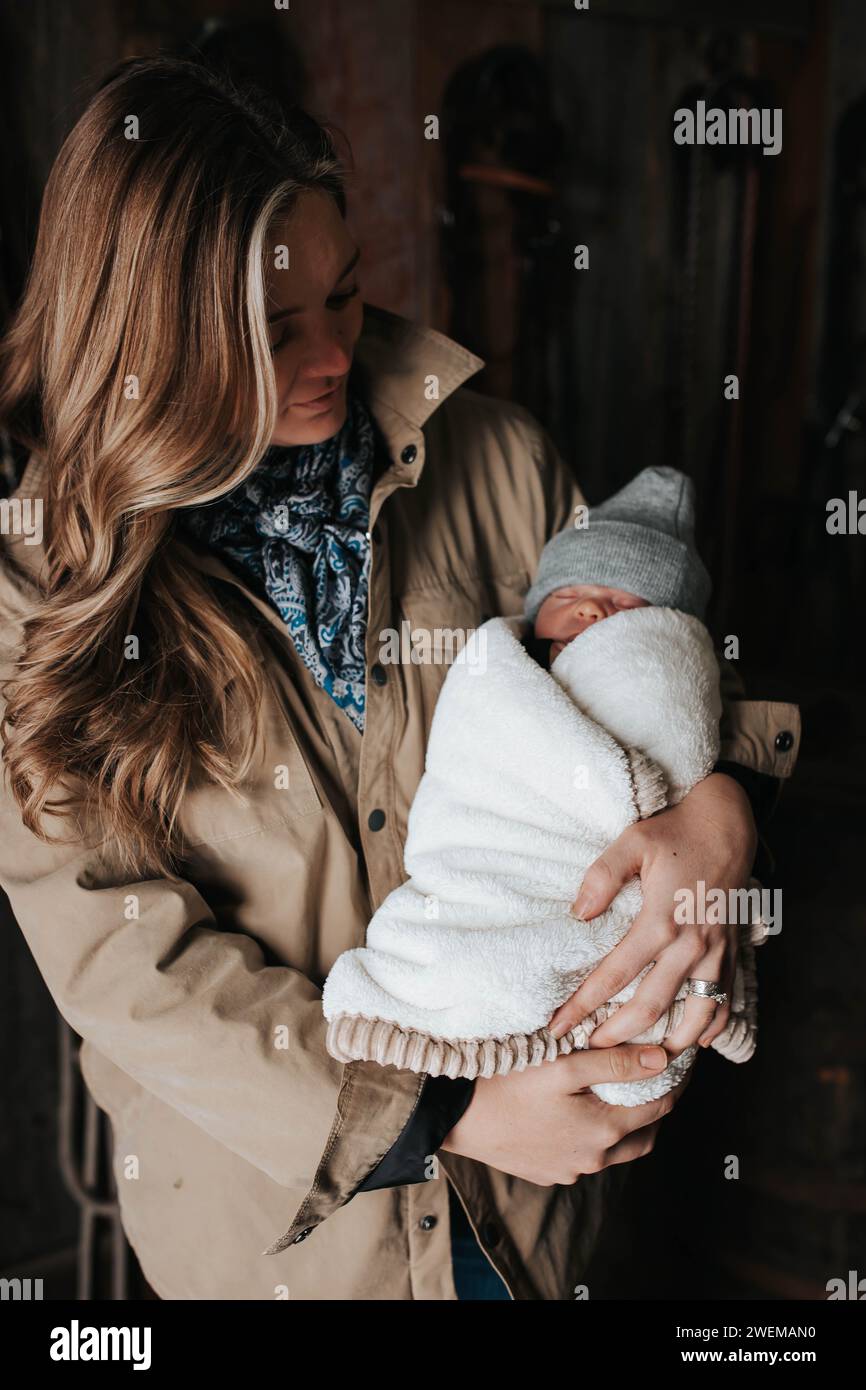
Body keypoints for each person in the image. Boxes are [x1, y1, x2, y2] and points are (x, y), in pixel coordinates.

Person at [0, 56, 800, 1301]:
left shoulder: (499, 458)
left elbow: (644, 675)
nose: (330, 354)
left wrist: (723, 806)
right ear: (151, 335)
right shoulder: (42, 586)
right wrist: (447, 1110)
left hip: (530, 1218)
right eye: (272, 332)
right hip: (292, 1240)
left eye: (348, 295)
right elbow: (123, 963)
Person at [322, 467, 766, 1107]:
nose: (590, 608)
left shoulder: (513, 464)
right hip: (484, 871)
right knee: (448, 959)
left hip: (615, 891)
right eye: (572, 595)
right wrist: (436, 1125)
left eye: (621, 603)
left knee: (631, 1045)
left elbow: (694, 716)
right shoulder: (499, 674)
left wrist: (726, 808)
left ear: (666, 631)